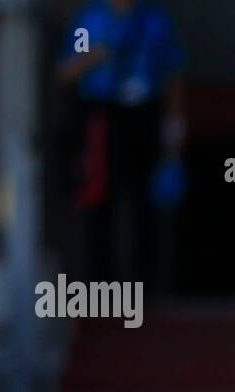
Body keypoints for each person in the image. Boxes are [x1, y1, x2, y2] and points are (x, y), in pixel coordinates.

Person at [58, 0, 186, 286]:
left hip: (145, 114)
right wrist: (94, 56)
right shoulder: (91, 20)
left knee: (146, 202)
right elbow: (65, 73)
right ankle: (102, 288)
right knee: (100, 200)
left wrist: (174, 124)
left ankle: (149, 289)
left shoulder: (155, 18)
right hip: (103, 116)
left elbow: (173, 71)